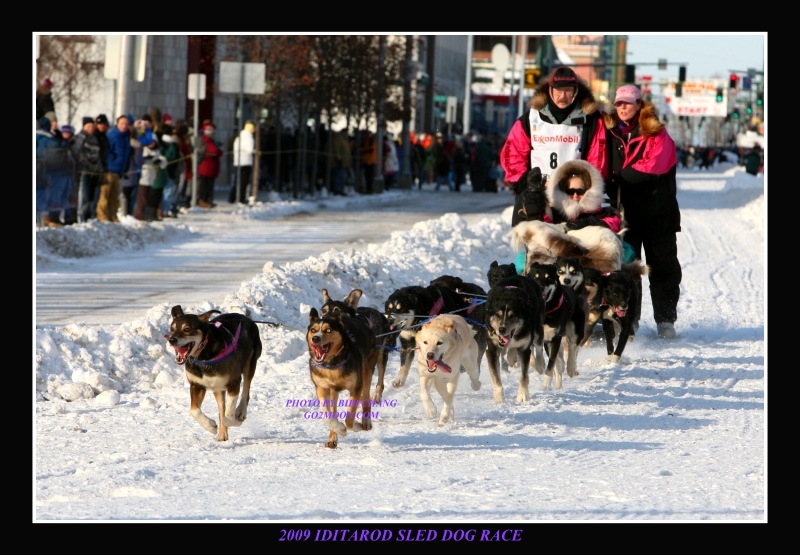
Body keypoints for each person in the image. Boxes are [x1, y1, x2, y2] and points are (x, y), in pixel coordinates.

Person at [606, 84, 682, 339]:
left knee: (663, 268)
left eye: (628, 103)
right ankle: (631, 321)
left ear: (640, 104)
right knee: (629, 269)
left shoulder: (656, 132)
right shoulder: (609, 134)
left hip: (658, 213)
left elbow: (651, 166)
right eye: (619, 104)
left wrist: (616, 179)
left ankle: (665, 320)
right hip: (625, 216)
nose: (623, 107)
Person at [500, 66, 610, 229]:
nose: (562, 96)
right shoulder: (530, 118)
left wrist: (586, 188)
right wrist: (524, 184)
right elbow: (513, 154)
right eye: (558, 91)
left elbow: (598, 157)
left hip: (574, 195)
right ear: (550, 90)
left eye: (567, 91)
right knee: (533, 245)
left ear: (575, 92)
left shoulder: (591, 120)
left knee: (570, 246)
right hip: (537, 193)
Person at [543, 159, 622, 233]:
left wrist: (589, 222)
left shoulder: (599, 212)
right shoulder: (556, 213)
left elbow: (614, 223)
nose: (575, 195)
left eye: (580, 191)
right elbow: (543, 224)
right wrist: (535, 200)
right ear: (564, 191)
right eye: (570, 191)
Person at [98, 115, 131, 222]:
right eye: (122, 123)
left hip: (119, 171)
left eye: (126, 124)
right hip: (109, 170)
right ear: (117, 124)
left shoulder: (126, 136)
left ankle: (113, 215)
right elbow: (107, 152)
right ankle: (103, 216)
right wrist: (108, 165)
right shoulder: (112, 136)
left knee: (115, 196)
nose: (124, 126)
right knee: (105, 195)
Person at [70, 116, 104, 222]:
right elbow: (75, 152)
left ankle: (90, 216)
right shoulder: (78, 137)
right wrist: (82, 137)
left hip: (94, 171)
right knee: (83, 196)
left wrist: (99, 169)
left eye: (92, 126)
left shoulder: (94, 139)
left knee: (92, 196)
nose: (91, 128)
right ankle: (82, 216)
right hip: (83, 171)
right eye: (88, 126)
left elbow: (97, 156)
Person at [197, 122, 223, 207]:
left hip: (211, 168)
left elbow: (217, 151)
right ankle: (203, 200)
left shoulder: (211, 140)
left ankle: (208, 200)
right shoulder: (205, 140)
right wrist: (217, 152)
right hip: (206, 167)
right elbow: (214, 151)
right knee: (204, 186)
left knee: (209, 185)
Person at [230, 120, 255, 203]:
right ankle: (241, 198)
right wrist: (255, 151)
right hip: (246, 162)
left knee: (237, 181)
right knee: (244, 182)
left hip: (237, 161)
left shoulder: (239, 136)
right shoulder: (249, 138)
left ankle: (232, 197)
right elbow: (249, 150)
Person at [330, 128, 351, 196]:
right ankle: (337, 190)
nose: (346, 134)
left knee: (341, 177)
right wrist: (339, 158)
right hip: (339, 162)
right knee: (338, 176)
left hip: (343, 163)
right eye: (345, 133)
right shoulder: (338, 138)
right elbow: (336, 149)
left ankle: (340, 189)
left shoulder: (343, 140)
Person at [359, 130, 377, 194]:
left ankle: (370, 189)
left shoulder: (370, 140)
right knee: (367, 176)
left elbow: (370, 149)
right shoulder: (364, 140)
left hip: (370, 161)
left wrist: (363, 150)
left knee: (369, 176)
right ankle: (368, 189)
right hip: (366, 160)